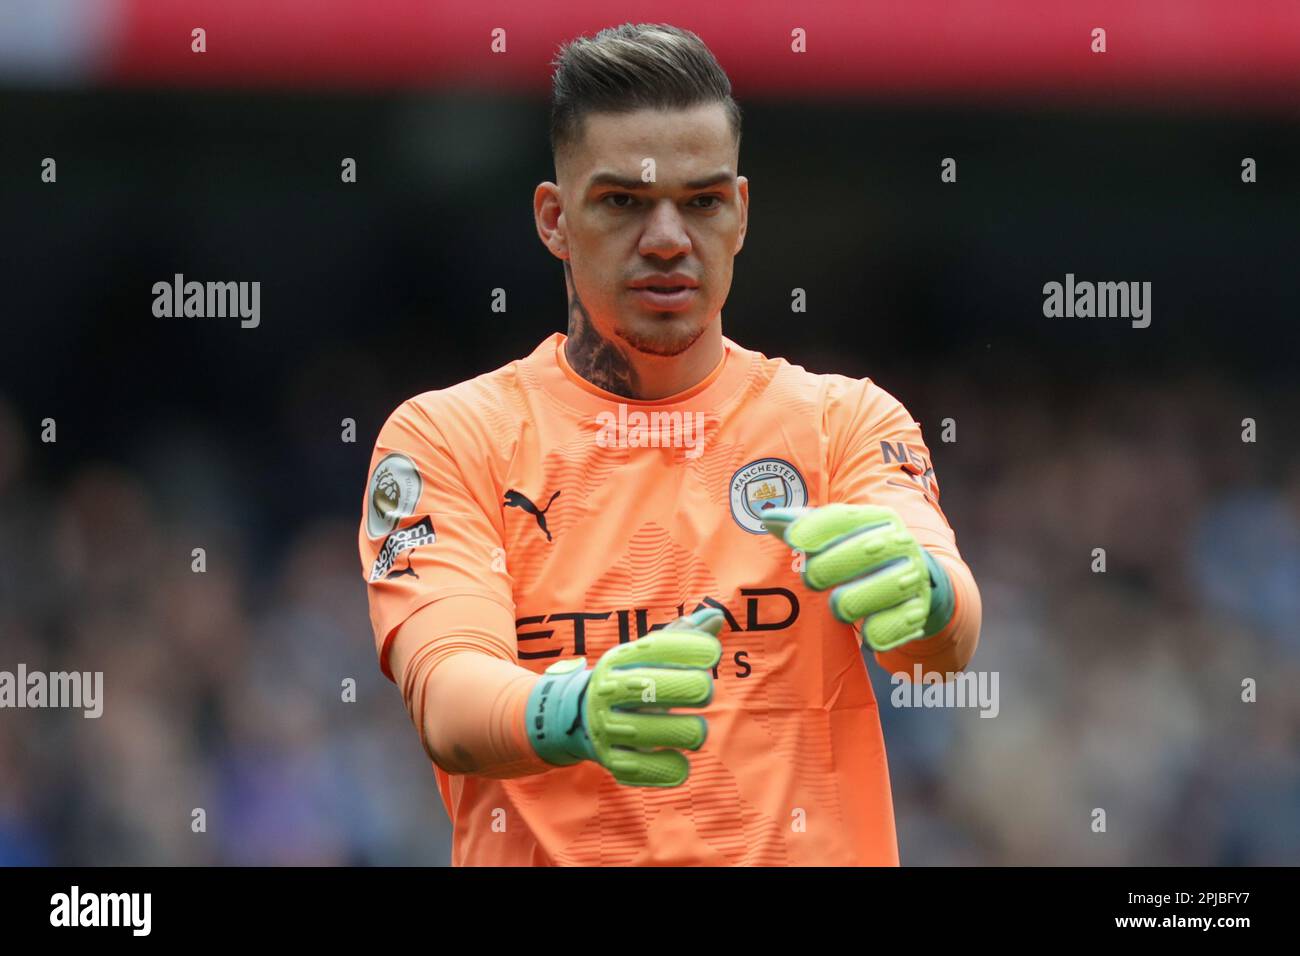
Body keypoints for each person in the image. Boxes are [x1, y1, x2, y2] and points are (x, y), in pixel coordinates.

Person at [358, 22, 980, 866]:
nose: (666, 238)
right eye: (622, 202)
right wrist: (574, 711)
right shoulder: (451, 438)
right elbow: (449, 701)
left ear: (741, 214)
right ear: (554, 219)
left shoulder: (842, 423)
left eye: (701, 201)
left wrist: (930, 593)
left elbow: (937, 652)